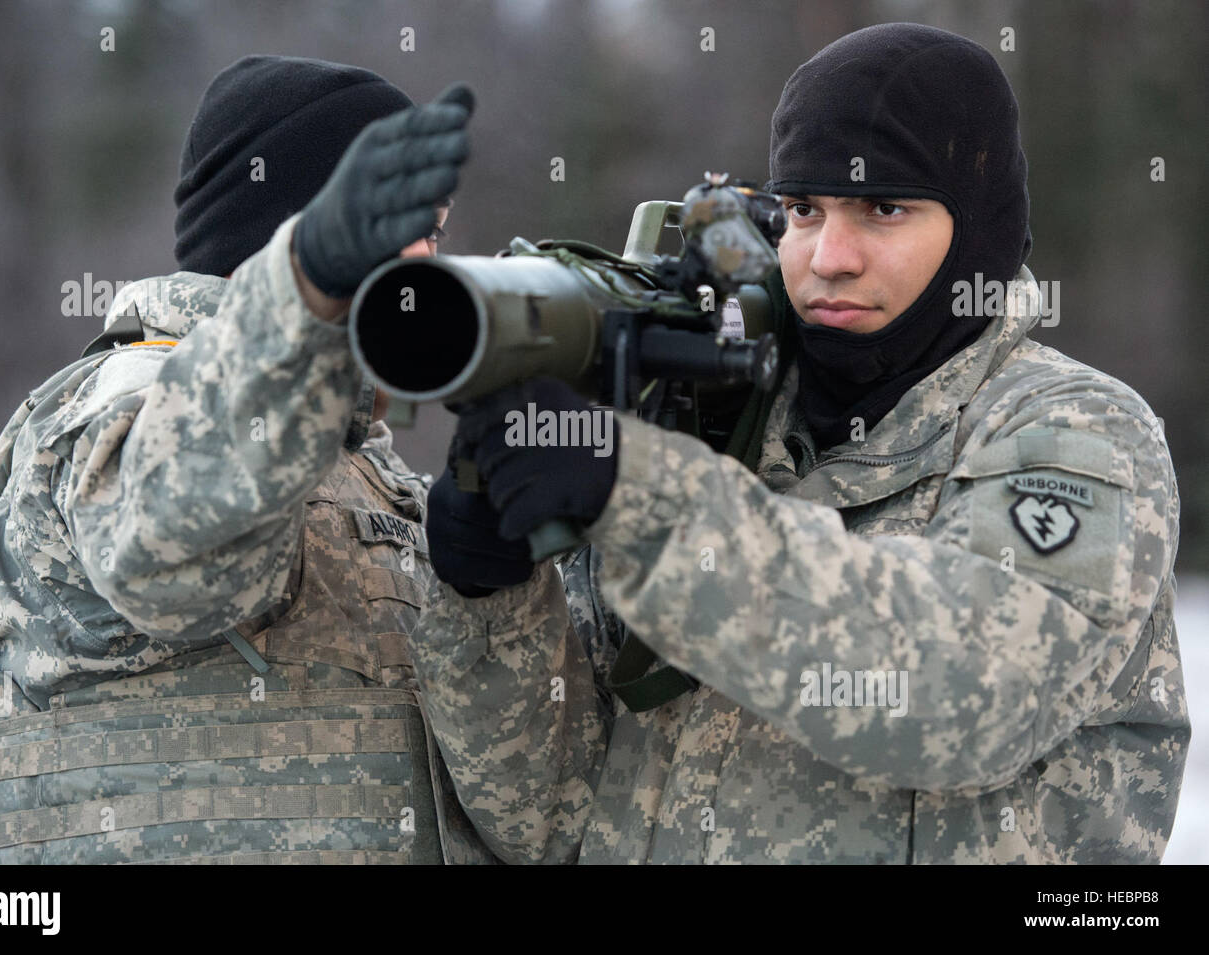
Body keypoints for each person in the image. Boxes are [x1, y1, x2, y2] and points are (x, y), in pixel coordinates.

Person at [412, 23, 1188, 863]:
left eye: (884, 208)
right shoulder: (716, 429)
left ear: (979, 230)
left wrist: (640, 496)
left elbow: (964, 698)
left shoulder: (1074, 432)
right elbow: (553, 823)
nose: (830, 256)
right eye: (803, 210)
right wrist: (491, 598)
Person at [0, 55, 496, 864]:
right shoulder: (124, 405)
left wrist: (507, 580)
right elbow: (173, 555)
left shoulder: (374, 470)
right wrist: (303, 292)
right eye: (415, 226)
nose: (435, 264)